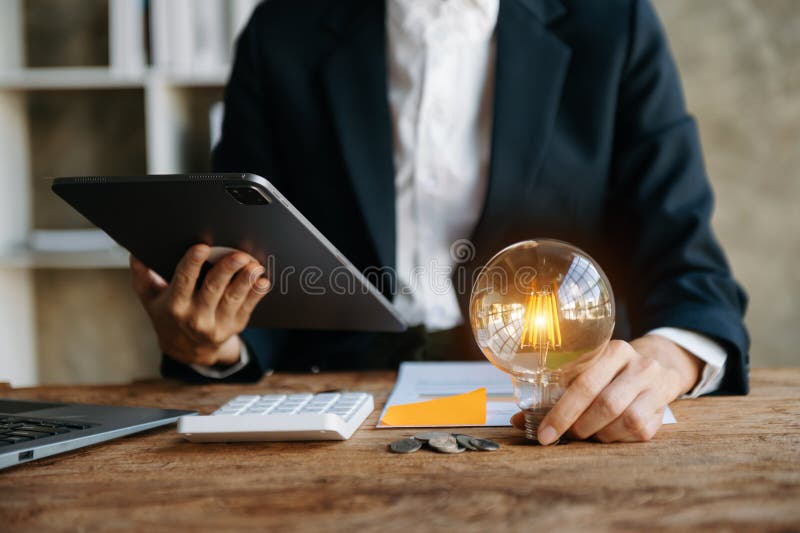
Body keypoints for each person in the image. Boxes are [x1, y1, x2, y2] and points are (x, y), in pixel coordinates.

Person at [130, 0, 749, 445]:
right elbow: (254, 264)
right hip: (329, 408)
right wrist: (215, 342)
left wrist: (667, 360)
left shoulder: (614, 22)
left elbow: (689, 267)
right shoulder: (283, 30)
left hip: (549, 392)